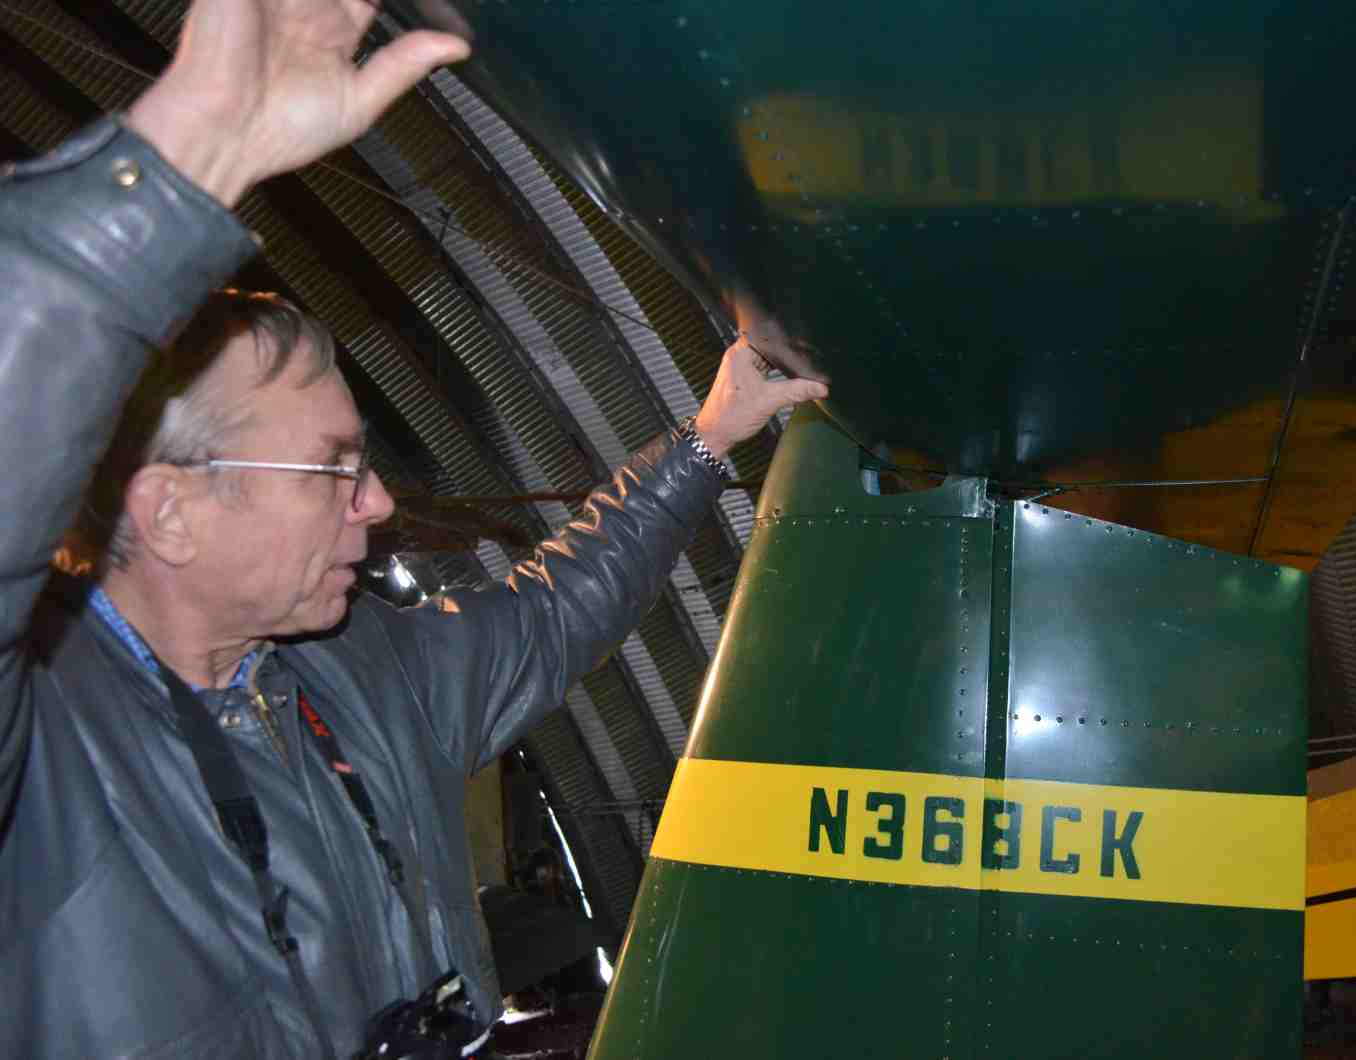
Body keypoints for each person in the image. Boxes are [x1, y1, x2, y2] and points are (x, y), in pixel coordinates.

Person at [0, 0, 826, 1056]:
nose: (379, 503)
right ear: (168, 511)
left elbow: (556, 612)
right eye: (333, 469)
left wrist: (710, 439)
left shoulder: (367, 676)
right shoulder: (44, 754)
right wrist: (186, 156)